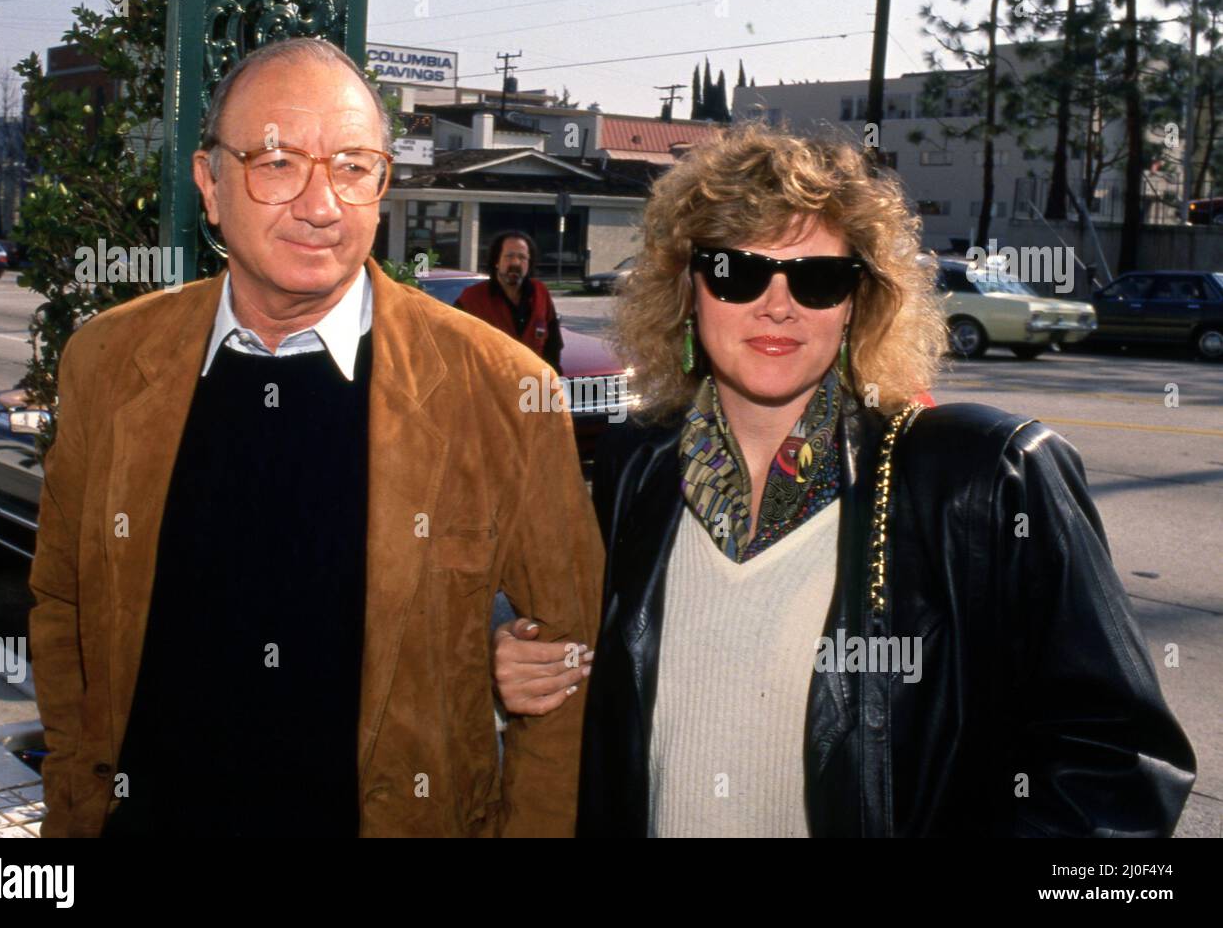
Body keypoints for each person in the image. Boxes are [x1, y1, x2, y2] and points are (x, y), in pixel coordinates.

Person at [492, 124, 1196, 836]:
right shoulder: (637, 467)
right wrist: (540, 666)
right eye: (737, 271)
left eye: (817, 278)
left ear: (858, 301)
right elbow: (628, 696)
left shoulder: (983, 477)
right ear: (687, 289)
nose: (778, 304)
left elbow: (1120, 770)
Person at [27, 37, 601, 838]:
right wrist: (71, 804)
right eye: (277, 162)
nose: (321, 203)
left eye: (353, 166)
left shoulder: (504, 392)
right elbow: (62, 607)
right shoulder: (108, 362)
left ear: (382, 186)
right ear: (210, 185)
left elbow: (569, 666)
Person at [455, 231, 564, 374]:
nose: (515, 263)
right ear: (496, 261)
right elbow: (455, 348)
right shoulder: (472, 298)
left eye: (522, 257)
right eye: (509, 256)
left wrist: (550, 382)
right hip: (491, 390)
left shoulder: (540, 293)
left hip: (533, 388)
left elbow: (553, 346)